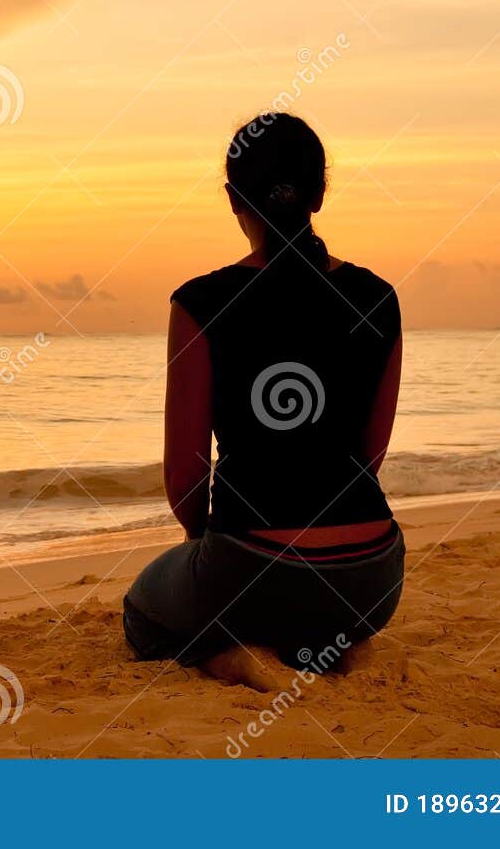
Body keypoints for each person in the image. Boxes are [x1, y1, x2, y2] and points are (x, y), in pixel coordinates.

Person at [122, 112, 404, 679]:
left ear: (233, 199)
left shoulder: (201, 303)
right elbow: (369, 457)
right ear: (319, 194)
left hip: (250, 566)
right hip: (373, 577)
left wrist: (203, 546)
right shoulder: (379, 297)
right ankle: (341, 645)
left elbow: (185, 478)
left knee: (142, 611)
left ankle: (233, 653)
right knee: (303, 606)